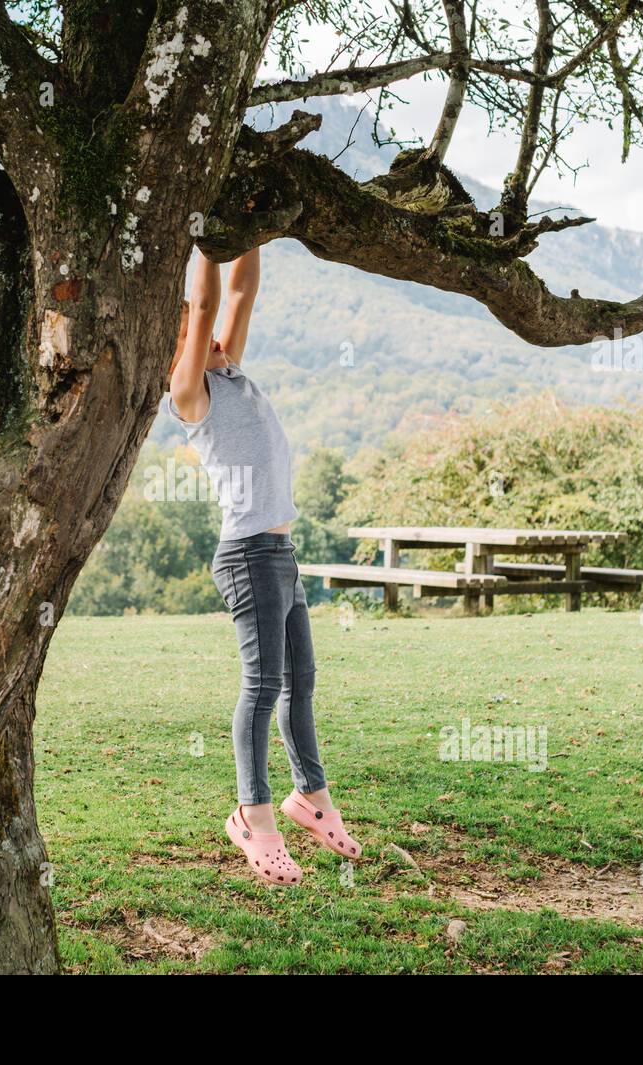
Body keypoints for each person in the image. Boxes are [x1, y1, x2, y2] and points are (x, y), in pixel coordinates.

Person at [165, 247, 361, 886]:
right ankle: (253, 817)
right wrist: (203, 240)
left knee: (301, 677)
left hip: (280, 551)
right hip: (248, 553)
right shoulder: (189, 392)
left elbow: (241, 292)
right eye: (201, 338)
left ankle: (310, 797)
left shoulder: (231, 371)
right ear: (184, 349)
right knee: (262, 685)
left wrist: (244, 230)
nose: (216, 338)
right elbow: (204, 306)